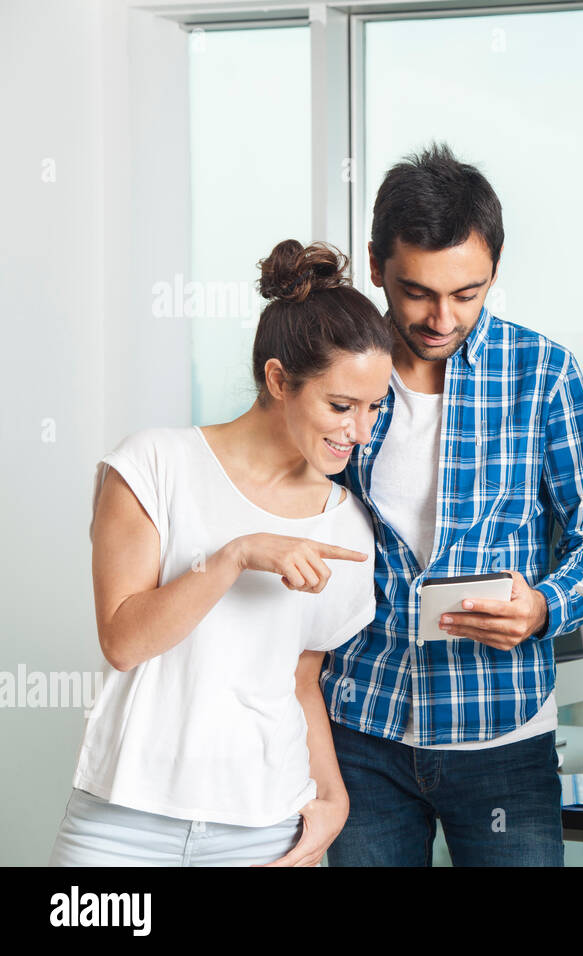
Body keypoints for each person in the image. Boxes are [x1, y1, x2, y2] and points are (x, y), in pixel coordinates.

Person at [322, 142, 583, 867]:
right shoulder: (334, 374)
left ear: (493, 272)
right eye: (417, 291)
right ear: (375, 266)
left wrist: (547, 606)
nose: (440, 317)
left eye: (468, 292)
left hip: (502, 733)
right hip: (360, 722)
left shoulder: (542, 373)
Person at [49, 240, 392, 866]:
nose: (359, 432)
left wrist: (333, 798)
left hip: (265, 828)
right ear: (279, 380)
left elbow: (300, 681)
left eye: (373, 408)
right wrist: (233, 556)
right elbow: (124, 640)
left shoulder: (345, 530)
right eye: (341, 406)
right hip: (123, 823)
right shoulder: (154, 465)